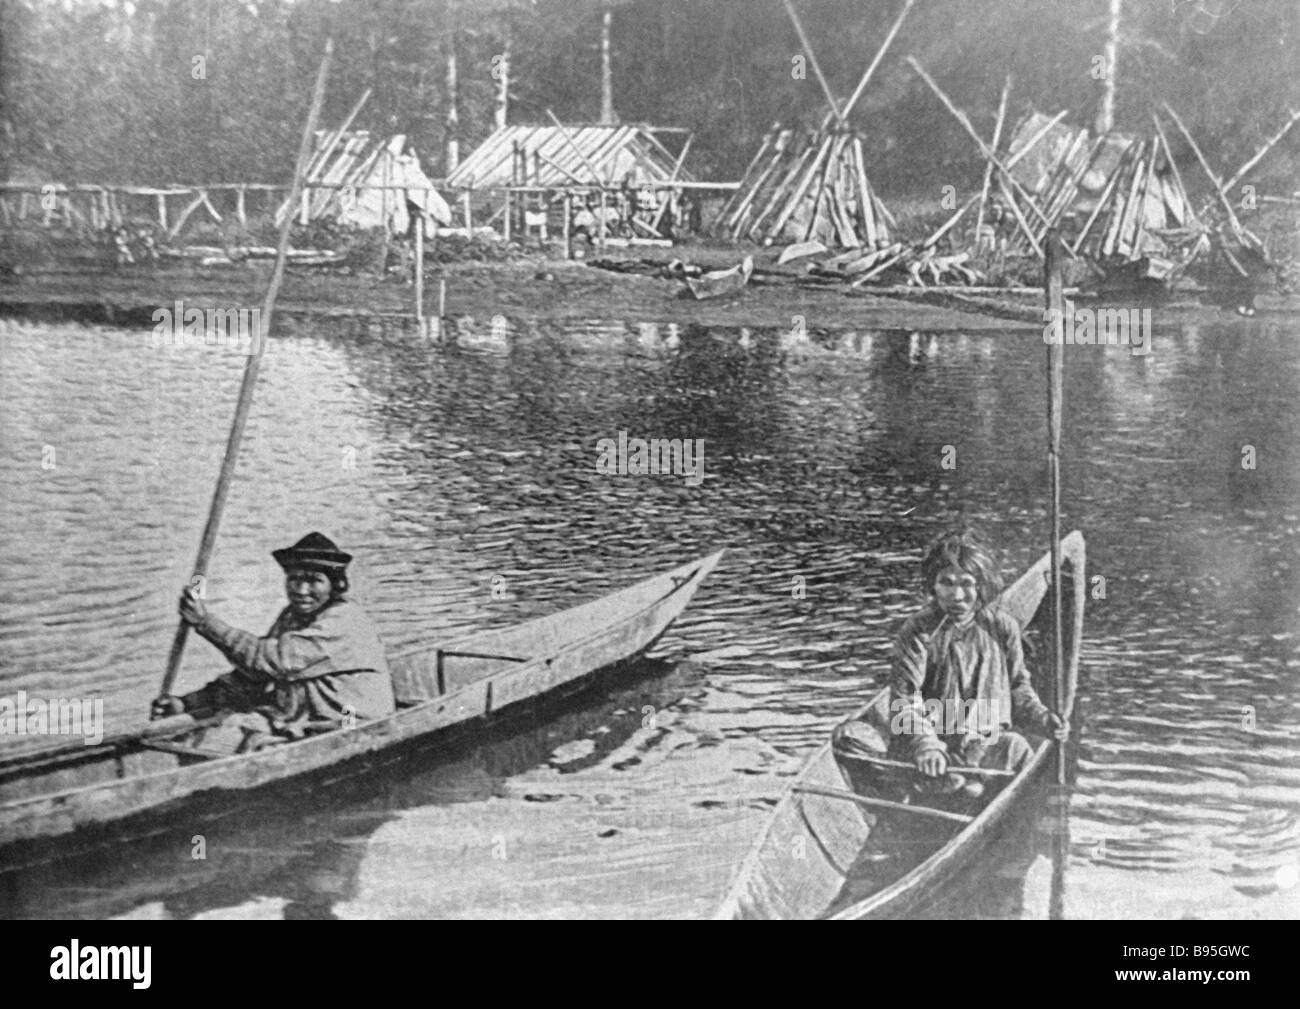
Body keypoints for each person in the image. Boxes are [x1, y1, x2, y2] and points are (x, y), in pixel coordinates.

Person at [833, 530, 1067, 796]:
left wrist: (1044, 718)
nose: (957, 596)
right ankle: (944, 784)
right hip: (933, 746)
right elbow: (904, 702)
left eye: (967, 584)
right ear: (933, 586)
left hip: (982, 743)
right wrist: (926, 745)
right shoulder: (917, 631)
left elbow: (1018, 689)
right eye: (947, 583)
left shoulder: (1002, 628)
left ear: (981, 586)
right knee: (848, 736)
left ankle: (964, 785)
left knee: (1016, 747)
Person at [151, 532, 395, 754]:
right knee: (211, 732)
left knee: (246, 741)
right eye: (294, 579)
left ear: (334, 585)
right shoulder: (292, 617)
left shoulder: (344, 621)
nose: (301, 589)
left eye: (314, 580)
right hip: (302, 721)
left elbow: (268, 661)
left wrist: (205, 623)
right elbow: (253, 678)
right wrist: (187, 703)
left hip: (348, 724)